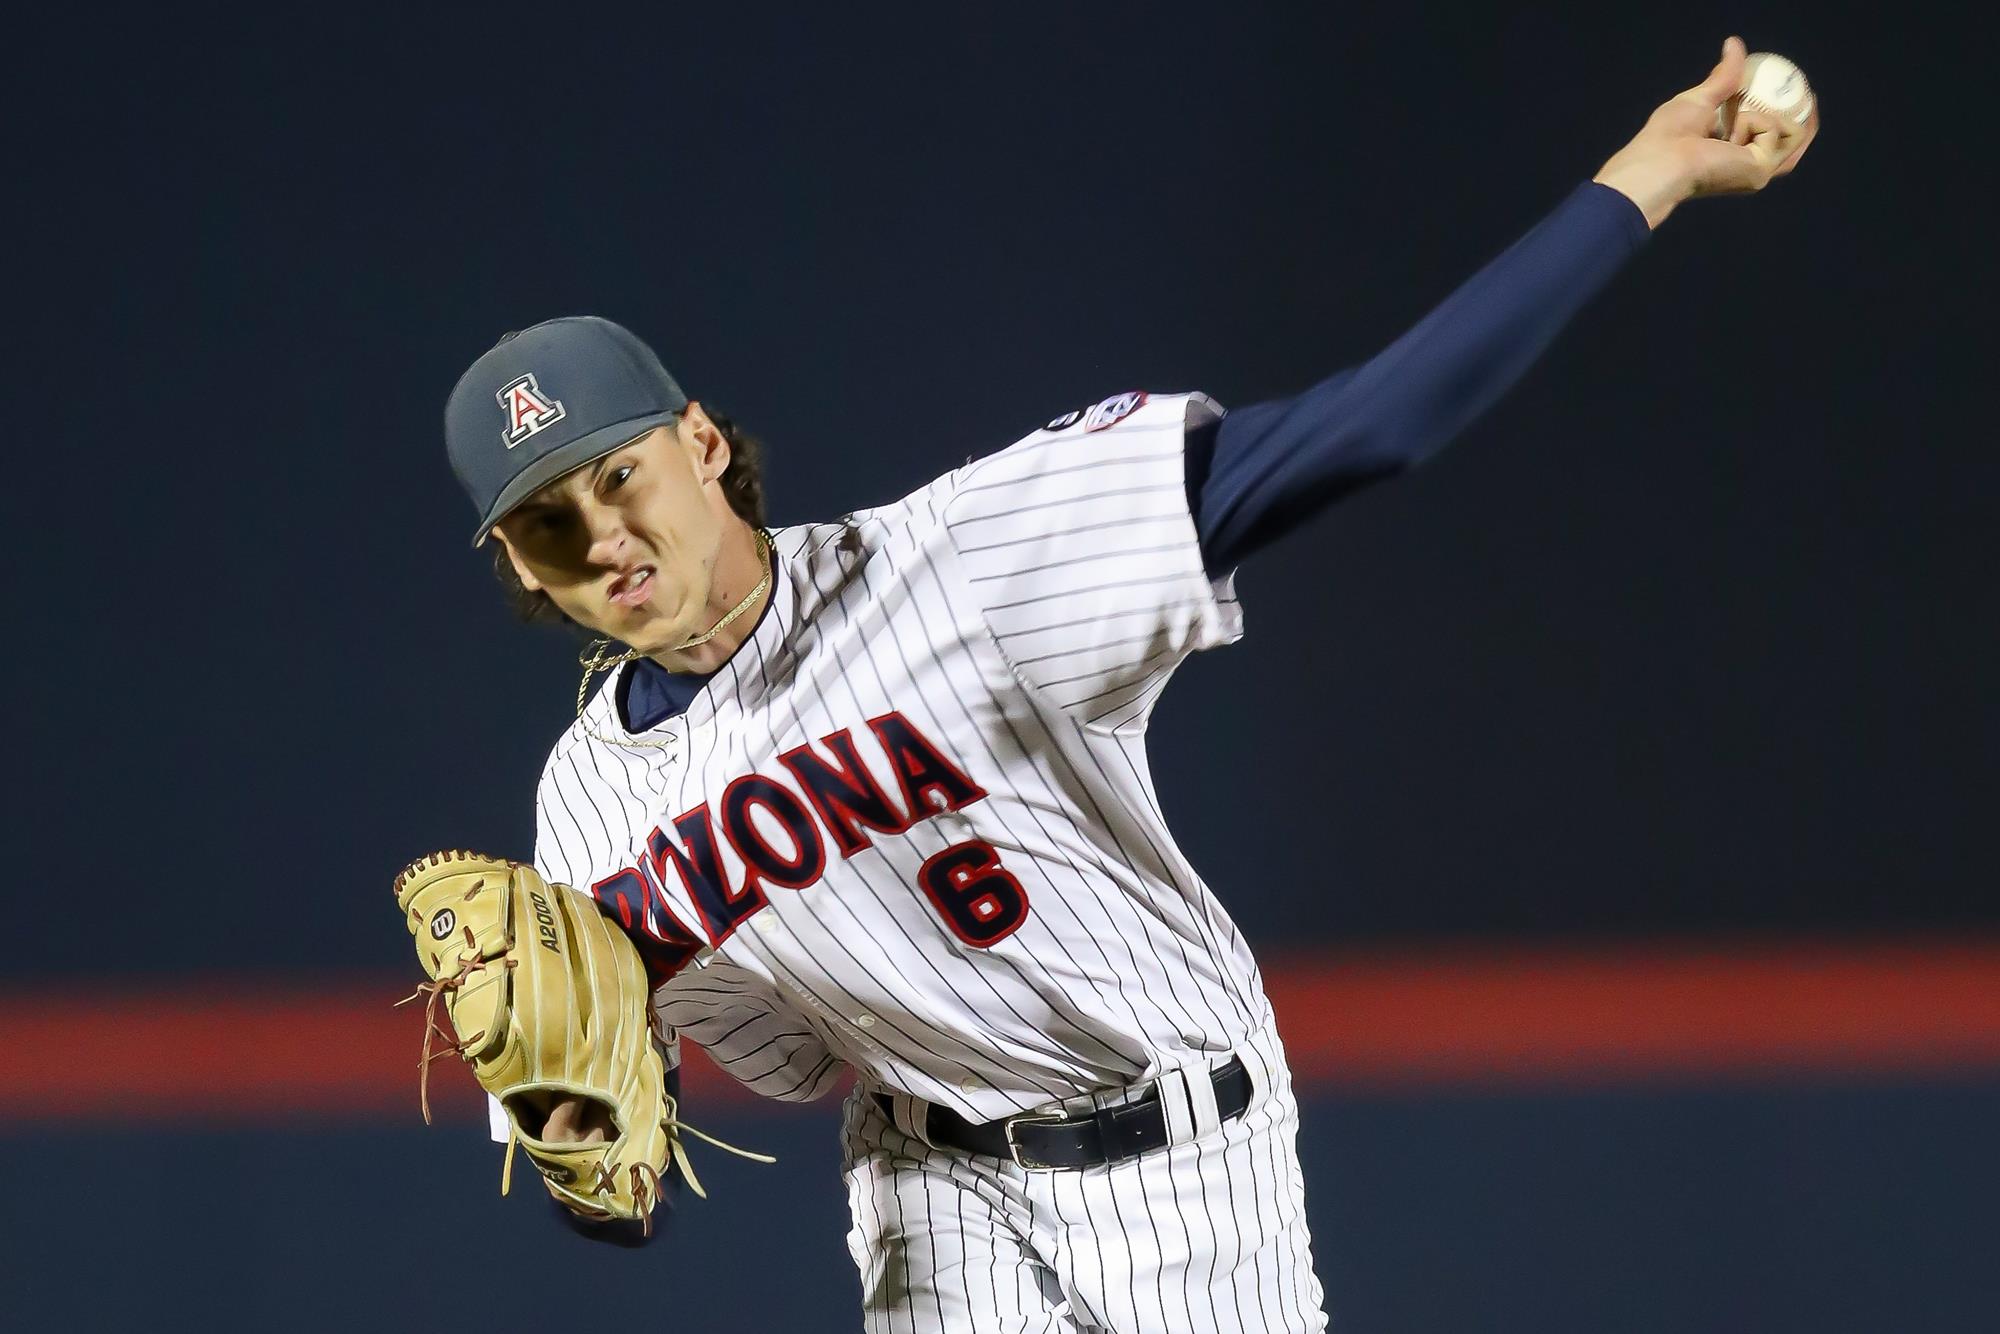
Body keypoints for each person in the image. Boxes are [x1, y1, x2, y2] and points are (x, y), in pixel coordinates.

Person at [436, 38, 1814, 1333]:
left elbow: (1373, 425)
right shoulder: (589, 815)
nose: (604, 531)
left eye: (619, 473)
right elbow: (710, 1123)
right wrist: (578, 1142)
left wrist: (1650, 175)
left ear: (699, 442)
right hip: (932, 1189)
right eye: (549, 515)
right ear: (518, 560)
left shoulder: (960, 564)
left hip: (1185, 1151)